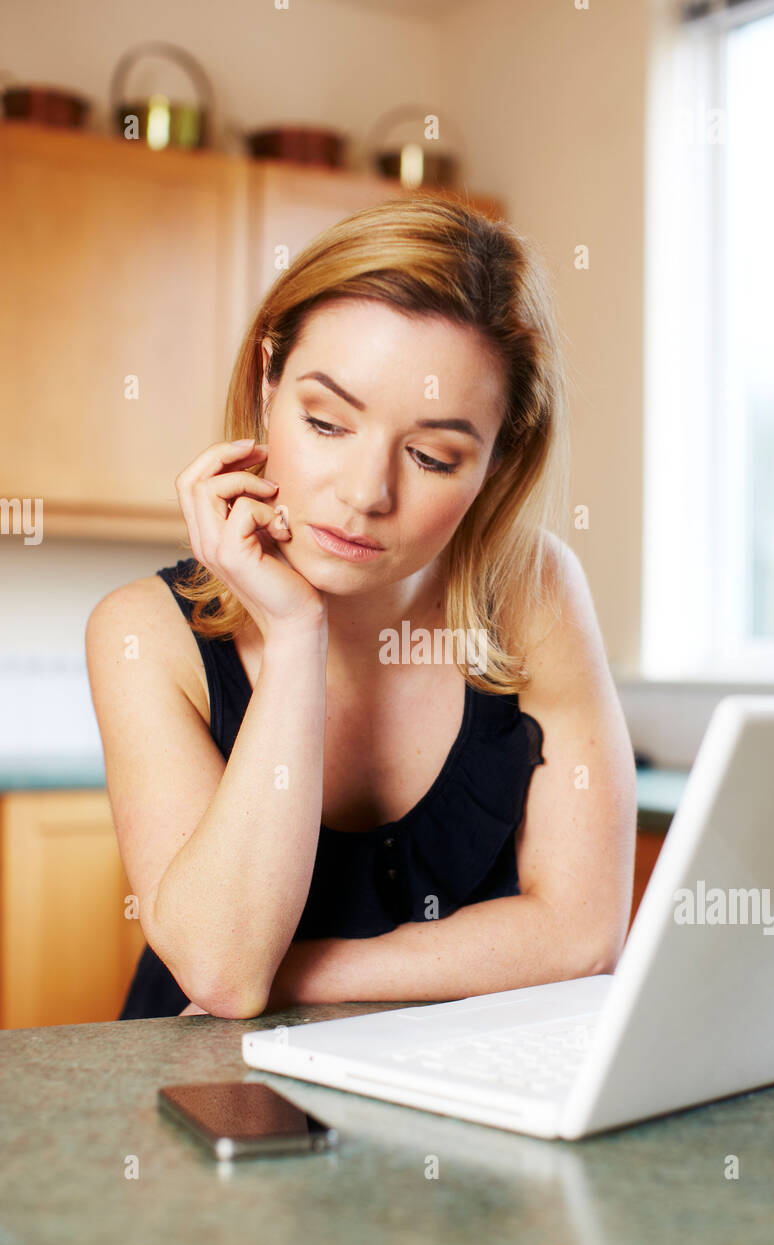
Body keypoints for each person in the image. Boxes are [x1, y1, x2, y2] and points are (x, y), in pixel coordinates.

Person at [85, 193, 637, 1021]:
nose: (366, 494)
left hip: (449, 1105)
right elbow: (225, 972)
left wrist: (299, 974)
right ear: (267, 378)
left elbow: (584, 935)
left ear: (497, 459)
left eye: (431, 455)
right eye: (326, 422)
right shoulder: (142, 633)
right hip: (211, 1091)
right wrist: (296, 631)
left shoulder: (534, 591)